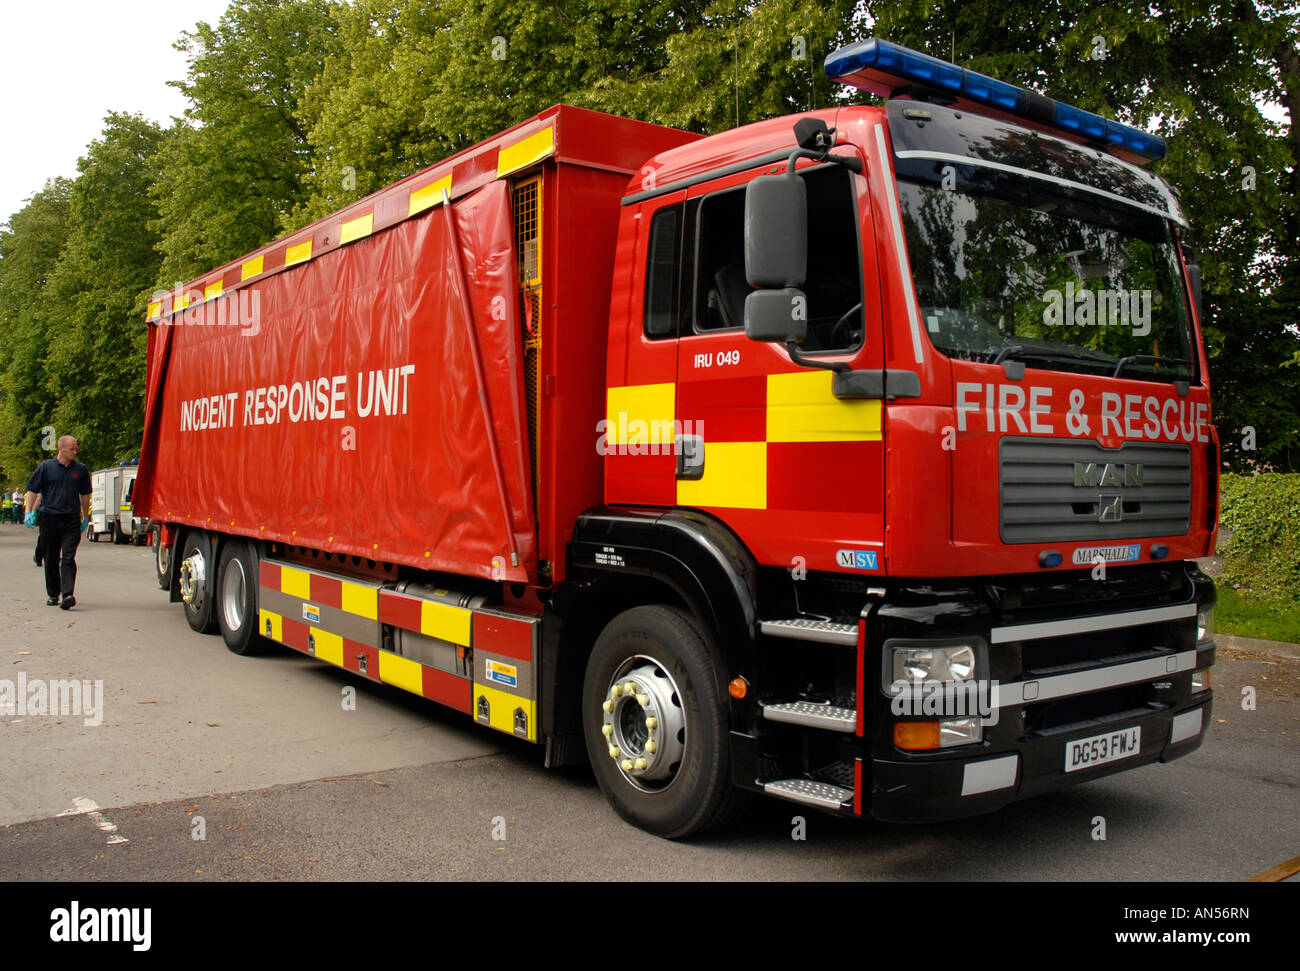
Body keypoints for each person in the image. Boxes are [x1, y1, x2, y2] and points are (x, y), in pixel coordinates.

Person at [25, 436, 91, 609]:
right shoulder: (46, 468)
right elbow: (32, 490)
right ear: (61, 448)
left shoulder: (81, 470)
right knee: (51, 558)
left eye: (76, 449)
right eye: (72, 449)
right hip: (50, 518)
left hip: (71, 519)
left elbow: (85, 495)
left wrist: (85, 516)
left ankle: (68, 594)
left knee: (69, 556)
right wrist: (29, 512)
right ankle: (53, 594)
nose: (75, 452)